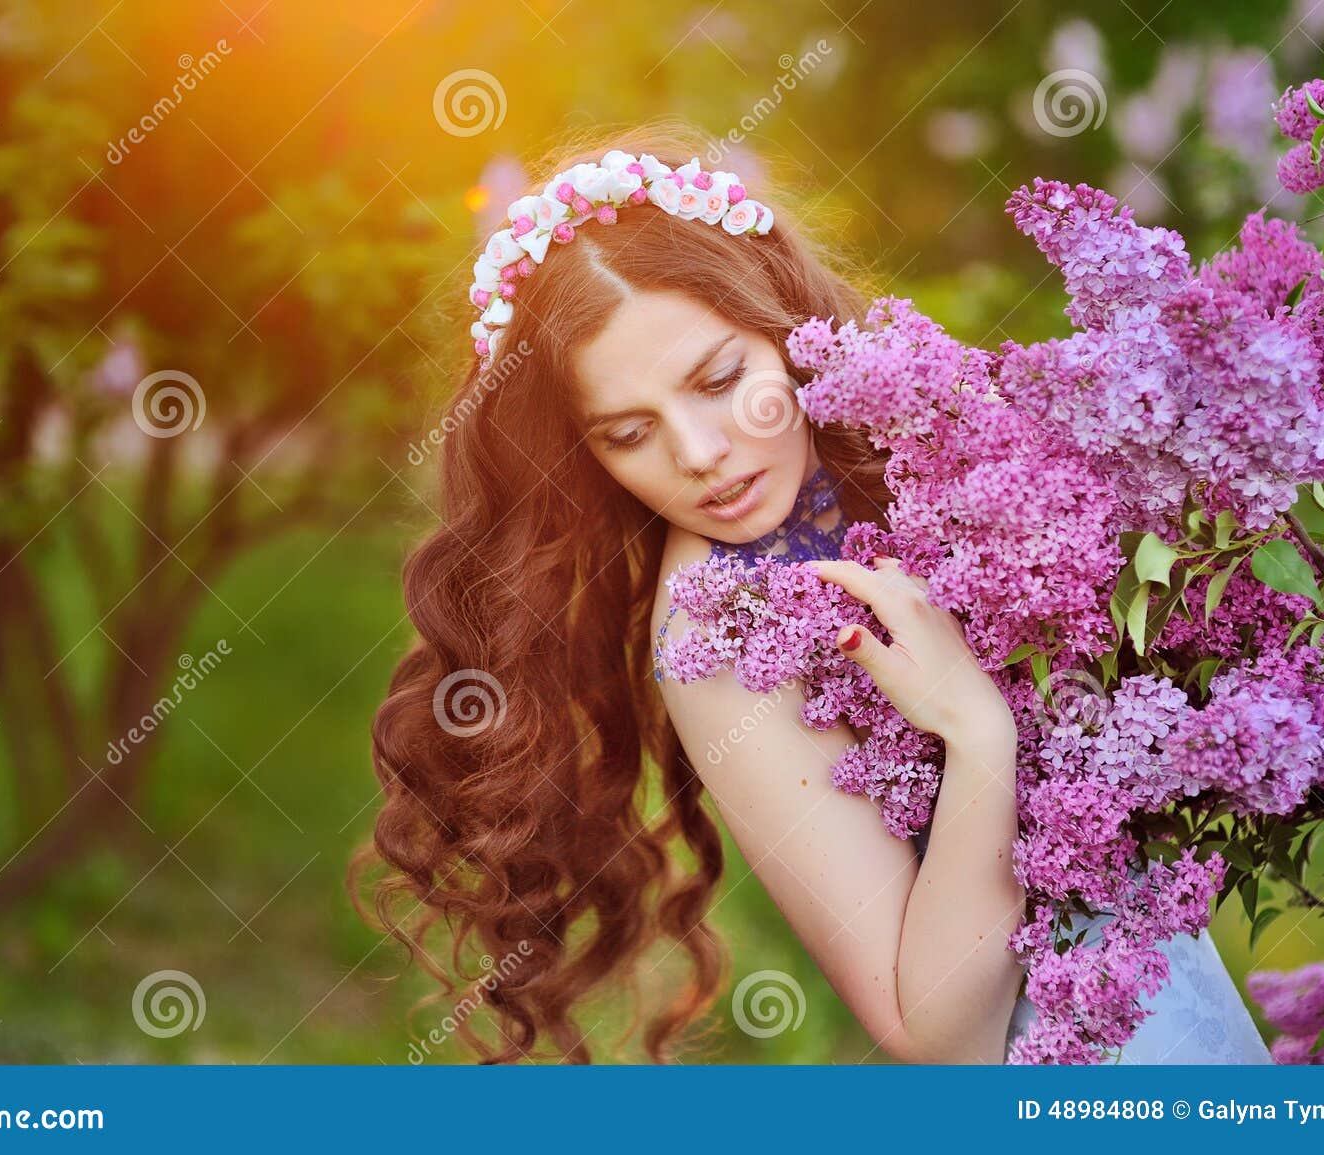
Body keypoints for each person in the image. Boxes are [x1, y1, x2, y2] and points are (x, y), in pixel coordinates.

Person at [352, 125, 1272, 1065]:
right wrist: (977, 735)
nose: (700, 454)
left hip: (1182, 991)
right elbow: (939, 1038)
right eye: (629, 434)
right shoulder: (718, 626)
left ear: (785, 324)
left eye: (720, 381)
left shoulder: (918, 431)